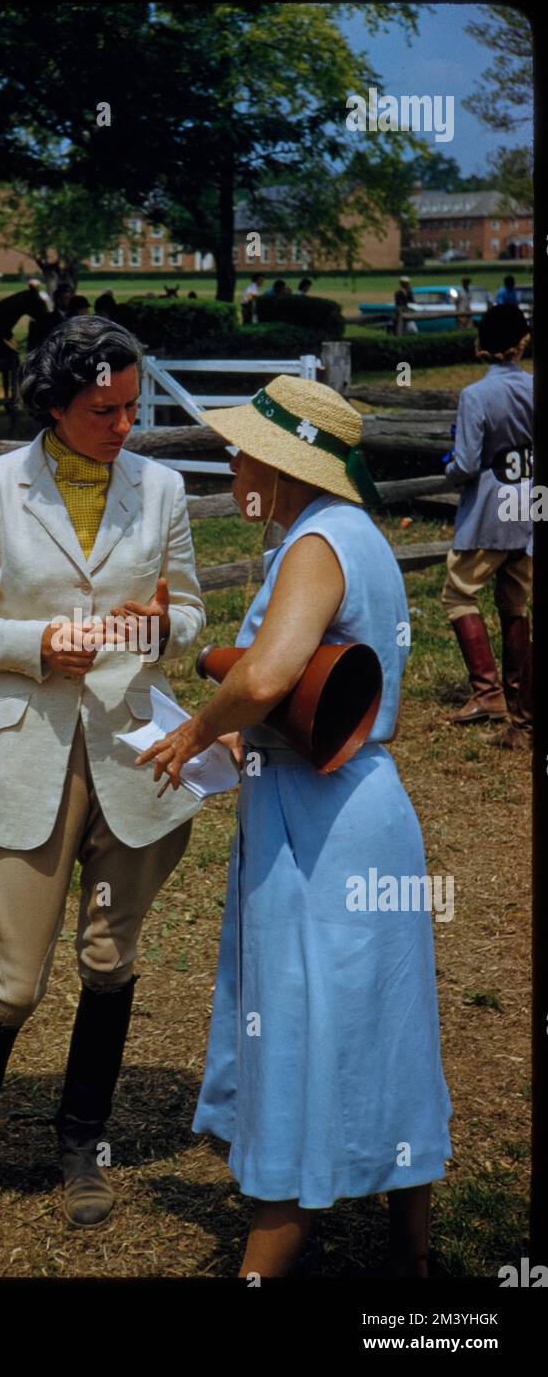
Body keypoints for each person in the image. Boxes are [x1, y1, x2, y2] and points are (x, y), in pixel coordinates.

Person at [136, 375, 452, 1279]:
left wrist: (199, 728)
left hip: (321, 829)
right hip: (364, 804)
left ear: (279, 463)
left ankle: (266, 1255)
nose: (233, 462)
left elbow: (270, 677)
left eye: (241, 450)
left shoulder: (315, 541)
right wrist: (229, 752)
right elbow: (309, 702)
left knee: (302, 1023)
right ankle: (412, 1257)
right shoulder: (364, 538)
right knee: (383, 1019)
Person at [0, 314, 206, 1240]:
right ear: (52, 405)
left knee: (111, 962)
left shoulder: (161, 488)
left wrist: (163, 629)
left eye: (133, 406)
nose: (126, 426)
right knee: (16, 981)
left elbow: (192, 612)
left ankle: (84, 1144)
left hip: (135, 754)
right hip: (28, 749)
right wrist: (39, 643)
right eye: (104, 410)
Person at [440, 303, 533, 747]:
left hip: (491, 509)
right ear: (522, 343)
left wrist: (449, 470)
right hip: (531, 503)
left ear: (480, 346)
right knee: (515, 601)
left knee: (458, 593)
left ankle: (487, 692)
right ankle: (520, 704)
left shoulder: (475, 396)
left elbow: (466, 462)